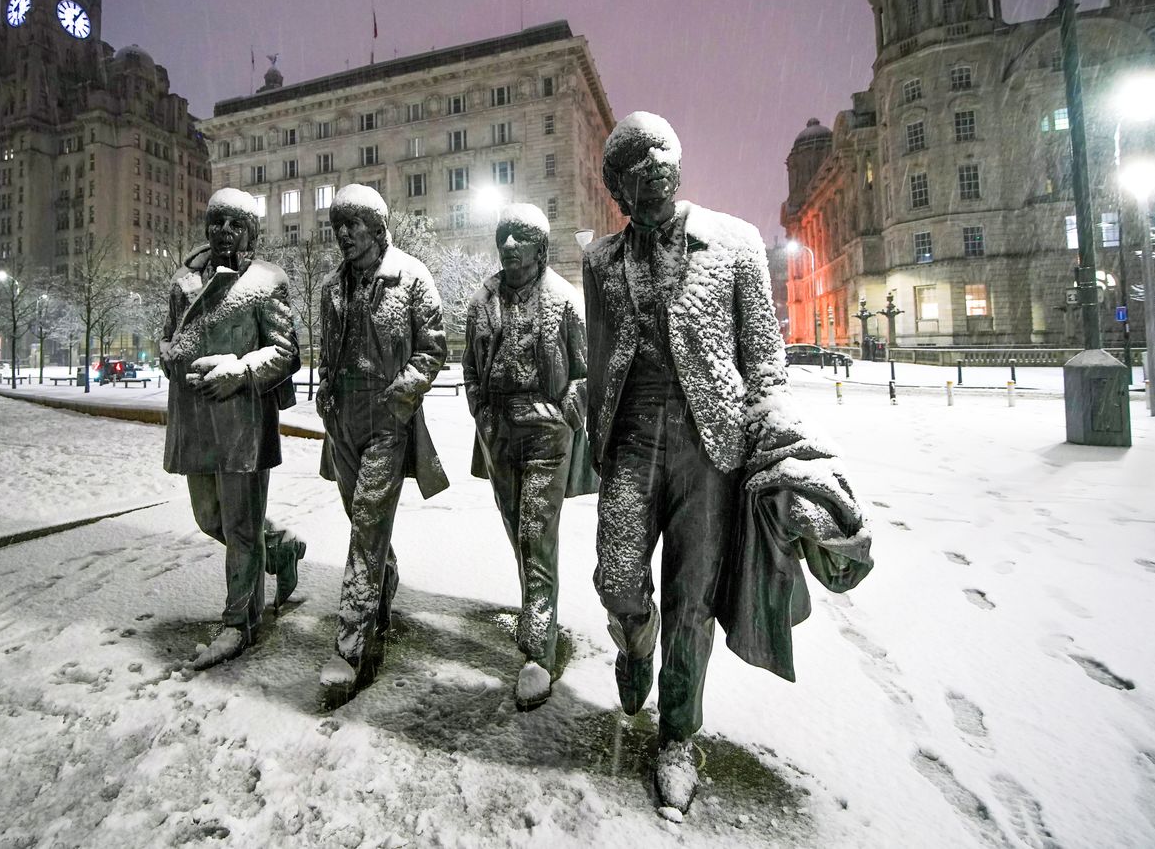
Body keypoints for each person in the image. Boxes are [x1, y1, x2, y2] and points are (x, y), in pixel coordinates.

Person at [583, 112, 870, 813]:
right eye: (636, 179)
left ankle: (678, 734)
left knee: (693, 600)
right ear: (618, 190)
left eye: (662, 170)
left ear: (676, 170)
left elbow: (766, 364)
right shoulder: (598, 264)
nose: (652, 186)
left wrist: (781, 441)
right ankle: (632, 643)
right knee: (618, 576)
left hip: (709, 449)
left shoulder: (736, 243)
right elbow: (599, 357)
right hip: (629, 445)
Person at [160, 187, 307, 671]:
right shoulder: (183, 281)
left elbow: (286, 353)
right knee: (209, 518)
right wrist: (169, 358)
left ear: (251, 233)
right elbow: (172, 339)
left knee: (242, 529)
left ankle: (238, 624)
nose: (225, 232)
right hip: (196, 419)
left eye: (236, 224)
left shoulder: (268, 282)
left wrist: (239, 371)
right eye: (218, 222)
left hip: (243, 420)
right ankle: (282, 549)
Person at [461, 203, 597, 710]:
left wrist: (565, 408)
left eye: (521, 237)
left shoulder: (564, 301)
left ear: (540, 247)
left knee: (536, 535)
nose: (510, 245)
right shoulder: (482, 300)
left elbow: (585, 372)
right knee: (519, 532)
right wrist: (479, 407)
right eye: (505, 237)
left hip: (546, 436)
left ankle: (539, 649)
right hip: (498, 432)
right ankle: (536, 611)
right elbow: (471, 366)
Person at [315, 183, 449, 697]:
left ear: (377, 227)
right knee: (361, 521)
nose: (344, 235)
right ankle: (383, 579)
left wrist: (405, 389)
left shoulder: (410, 277)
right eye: (337, 226)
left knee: (367, 522)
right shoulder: (330, 287)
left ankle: (350, 644)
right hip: (342, 421)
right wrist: (325, 387)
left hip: (387, 421)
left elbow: (433, 346)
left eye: (352, 225)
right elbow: (328, 351)